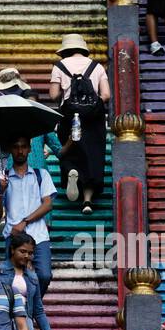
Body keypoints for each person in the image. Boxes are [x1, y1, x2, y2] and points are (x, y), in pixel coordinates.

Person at [49, 33, 110, 216]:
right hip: (93, 119)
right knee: (93, 155)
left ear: (65, 50)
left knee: (70, 150)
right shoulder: (97, 66)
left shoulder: (59, 66)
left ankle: (72, 172)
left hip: (69, 117)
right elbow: (106, 94)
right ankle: (87, 200)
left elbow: (53, 95)